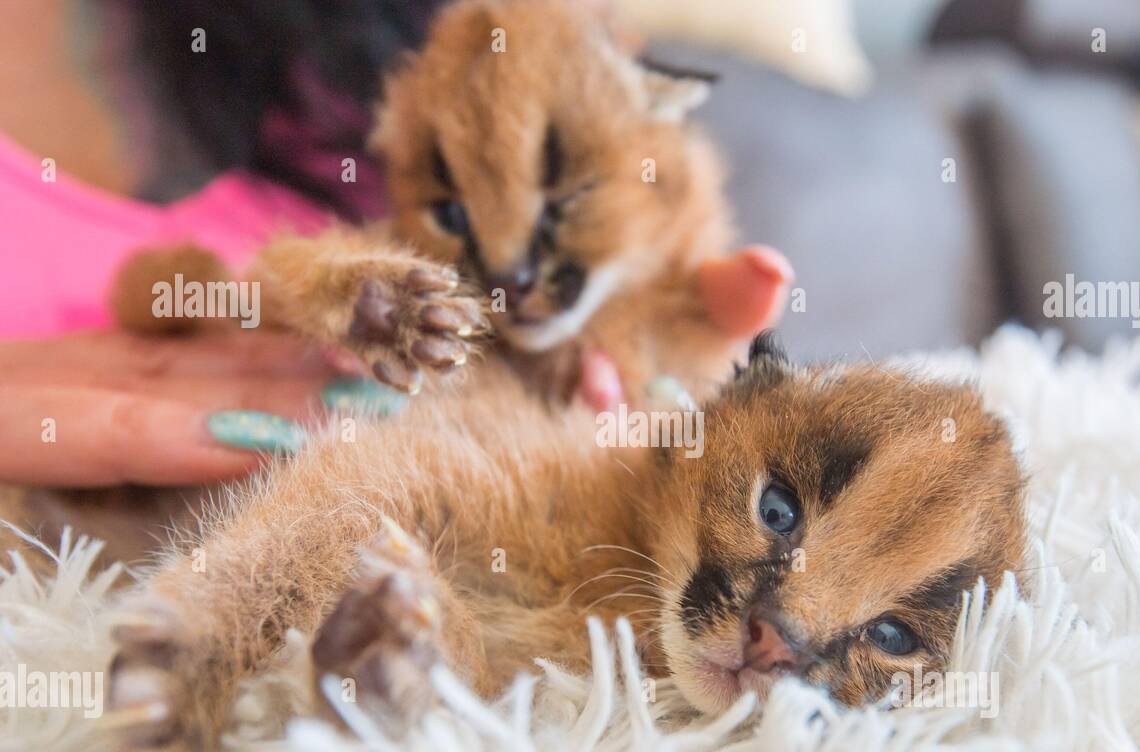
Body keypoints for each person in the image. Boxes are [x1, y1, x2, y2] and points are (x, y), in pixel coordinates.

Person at [0, 0, 788, 488]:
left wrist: (673, 383)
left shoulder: (397, 36)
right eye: (458, 215)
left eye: (559, 207)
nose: (511, 279)